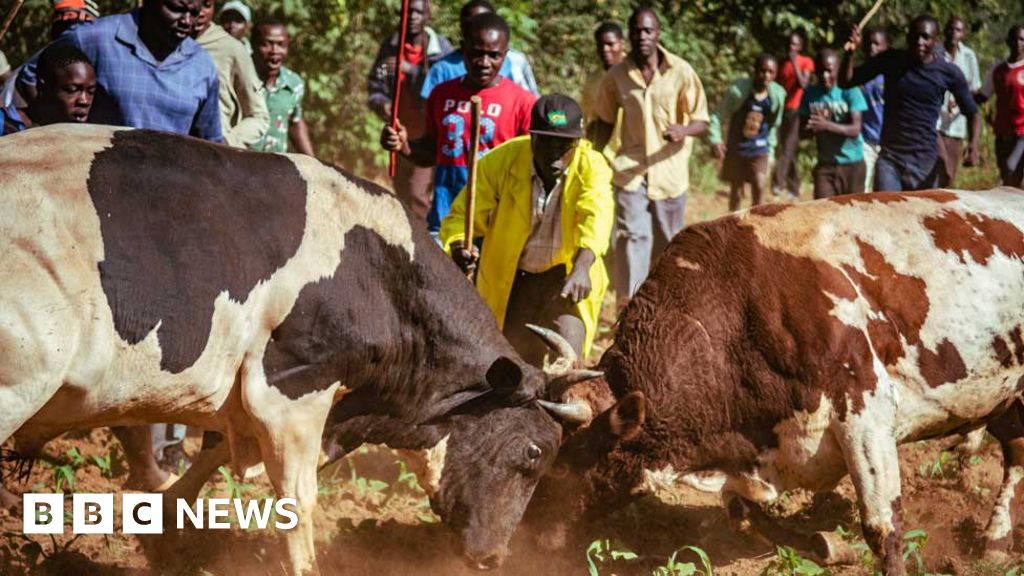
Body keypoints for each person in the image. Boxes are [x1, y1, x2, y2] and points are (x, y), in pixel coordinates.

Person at [440, 95, 613, 366]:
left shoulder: (592, 166)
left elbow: (597, 215)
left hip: (566, 279)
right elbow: (463, 216)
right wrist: (459, 244)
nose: (556, 152)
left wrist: (582, 267)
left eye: (565, 144)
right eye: (547, 142)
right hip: (514, 280)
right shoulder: (500, 161)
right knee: (514, 365)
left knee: (568, 359)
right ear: (532, 137)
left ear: (577, 142)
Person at [381, 12, 536, 238]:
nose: (484, 63)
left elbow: (531, 170)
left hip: (497, 225)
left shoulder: (522, 103)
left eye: (494, 55)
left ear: (505, 54)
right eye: (477, 53)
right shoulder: (442, 94)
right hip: (446, 219)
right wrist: (404, 146)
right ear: (464, 48)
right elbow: (433, 151)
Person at [591, 6, 709, 303]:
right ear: (629, 35)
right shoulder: (616, 77)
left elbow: (702, 120)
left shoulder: (681, 72)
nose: (642, 36)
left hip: (669, 172)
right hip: (630, 171)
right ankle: (629, 308)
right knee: (633, 238)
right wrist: (588, 157)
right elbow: (604, 121)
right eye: (636, 31)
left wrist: (684, 130)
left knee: (669, 241)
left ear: (658, 34)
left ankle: (669, 305)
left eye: (648, 31)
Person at [16, 0, 222, 142]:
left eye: (194, 13)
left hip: (168, 194)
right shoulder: (95, 38)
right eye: (176, 8)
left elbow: (209, 139)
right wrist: (64, 134)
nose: (186, 21)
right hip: (95, 186)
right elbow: (30, 76)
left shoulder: (203, 66)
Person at [840, 14, 979, 192]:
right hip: (891, 159)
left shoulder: (948, 72)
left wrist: (973, 146)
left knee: (923, 218)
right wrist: (850, 53)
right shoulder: (891, 60)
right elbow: (846, 81)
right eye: (915, 36)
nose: (919, 42)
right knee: (886, 212)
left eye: (926, 37)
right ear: (907, 38)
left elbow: (972, 113)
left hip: (925, 162)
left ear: (936, 41)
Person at [367, 0, 453, 220]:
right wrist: (383, 104)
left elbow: (443, 89)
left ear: (427, 17)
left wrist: (411, 71)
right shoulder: (390, 47)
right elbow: (375, 86)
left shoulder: (441, 51)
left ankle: (423, 244)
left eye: (417, 13)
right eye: (407, 12)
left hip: (427, 137)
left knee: (417, 194)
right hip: (400, 132)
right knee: (402, 191)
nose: (412, 17)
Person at [708, 53, 785, 211]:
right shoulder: (738, 91)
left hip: (760, 149)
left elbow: (774, 125)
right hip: (738, 148)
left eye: (771, 72)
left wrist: (770, 151)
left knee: (760, 184)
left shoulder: (777, 96)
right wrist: (715, 139)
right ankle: (733, 225)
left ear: (776, 74)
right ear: (754, 70)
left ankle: (758, 224)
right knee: (736, 191)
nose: (766, 76)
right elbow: (717, 116)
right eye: (762, 71)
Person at [419, 0, 538, 100]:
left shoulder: (512, 61)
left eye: (485, 22)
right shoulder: (442, 68)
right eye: (471, 24)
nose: (485, 63)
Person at [192, 0, 268, 148]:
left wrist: (228, 142)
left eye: (206, 5)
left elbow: (258, 116)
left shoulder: (232, 49)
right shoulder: (163, 42)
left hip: (210, 154)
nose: (199, 12)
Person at [799, 48, 867, 199]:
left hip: (853, 164)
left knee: (852, 216)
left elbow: (855, 129)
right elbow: (802, 132)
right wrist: (811, 129)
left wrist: (826, 125)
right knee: (823, 213)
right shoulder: (810, 94)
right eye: (820, 71)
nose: (825, 76)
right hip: (826, 165)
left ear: (837, 69)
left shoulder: (849, 91)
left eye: (829, 71)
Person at [249, 17, 314, 155]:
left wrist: (314, 163)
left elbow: (295, 123)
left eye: (281, 45)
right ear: (253, 44)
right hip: (239, 164)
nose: (274, 51)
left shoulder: (293, 84)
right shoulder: (241, 77)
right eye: (267, 44)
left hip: (275, 168)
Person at [2, 44, 95, 134]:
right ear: (42, 87)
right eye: (72, 90)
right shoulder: (4, 125)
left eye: (91, 92)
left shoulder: (90, 137)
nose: (84, 101)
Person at [935, 16, 981, 187]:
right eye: (951, 29)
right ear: (944, 31)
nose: (954, 33)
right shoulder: (935, 52)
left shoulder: (968, 57)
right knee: (940, 168)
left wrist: (961, 99)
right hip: (936, 123)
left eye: (958, 30)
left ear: (963, 33)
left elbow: (975, 88)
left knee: (948, 176)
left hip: (956, 125)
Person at [976, 24, 1024, 187]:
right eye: (1015, 39)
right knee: (1008, 176)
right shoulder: (998, 69)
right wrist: (961, 96)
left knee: (1012, 168)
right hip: (1002, 133)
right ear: (1008, 41)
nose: (1018, 43)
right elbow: (983, 95)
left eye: (1022, 40)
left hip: (1022, 133)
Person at [773, 30, 814, 198]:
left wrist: (794, 62)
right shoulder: (782, 64)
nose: (792, 47)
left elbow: (803, 84)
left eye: (795, 44)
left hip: (798, 110)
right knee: (788, 149)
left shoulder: (806, 62)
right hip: (784, 110)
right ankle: (794, 188)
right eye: (790, 44)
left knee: (788, 148)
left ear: (800, 46)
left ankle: (778, 183)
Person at [581, 21, 625, 152]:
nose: (605, 49)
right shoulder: (592, 81)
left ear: (622, 44)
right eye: (601, 45)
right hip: (603, 152)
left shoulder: (634, 75)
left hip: (631, 153)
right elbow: (590, 120)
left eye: (610, 44)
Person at [860, 27, 887, 191]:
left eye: (877, 44)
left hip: (888, 143)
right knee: (861, 190)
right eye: (869, 44)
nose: (873, 47)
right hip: (864, 141)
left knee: (884, 191)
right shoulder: (859, 75)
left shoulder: (892, 76)